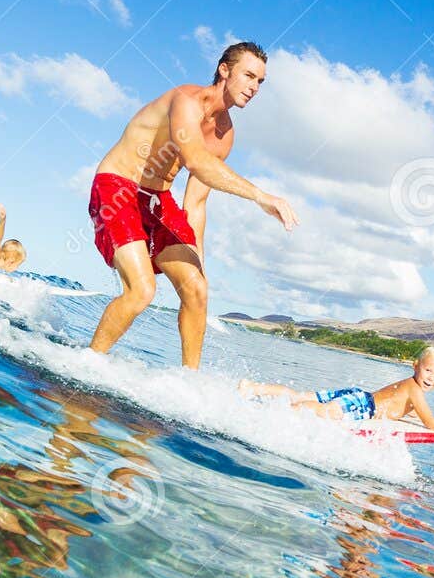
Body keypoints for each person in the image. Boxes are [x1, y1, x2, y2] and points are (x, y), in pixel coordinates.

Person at [86, 42, 296, 369]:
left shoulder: (224, 135)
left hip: (158, 200)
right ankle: (87, 364)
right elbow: (196, 161)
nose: (254, 87)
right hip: (118, 187)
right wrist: (261, 196)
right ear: (224, 70)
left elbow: (195, 203)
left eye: (260, 82)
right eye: (249, 76)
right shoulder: (186, 100)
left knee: (197, 290)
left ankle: (189, 383)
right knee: (142, 290)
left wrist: (197, 262)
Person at [239, 346, 434, 442]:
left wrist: (406, 415)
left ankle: (253, 388)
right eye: (428, 370)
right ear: (415, 366)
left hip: (359, 397)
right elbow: (429, 422)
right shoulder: (414, 388)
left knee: (302, 395)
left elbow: (402, 408)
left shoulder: (413, 389)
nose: (431, 377)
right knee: (322, 411)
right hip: (363, 404)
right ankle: (281, 413)